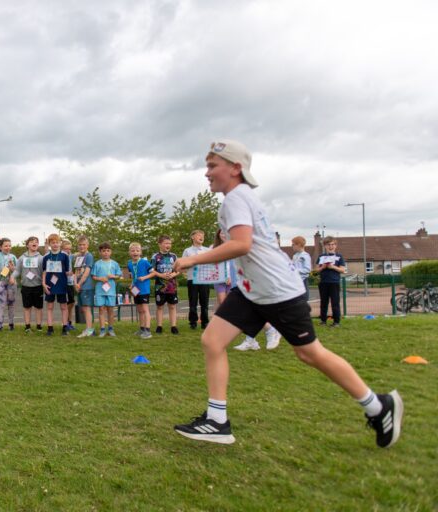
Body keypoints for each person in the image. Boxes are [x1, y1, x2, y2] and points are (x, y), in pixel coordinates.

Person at [171, 139, 402, 449]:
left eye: (213, 166)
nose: (207, 173)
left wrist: (193, 259)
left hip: (277, 290)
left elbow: (241, 244)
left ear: (236, 168)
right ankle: (216, 420)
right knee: (212, 341)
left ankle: (378, 406)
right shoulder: (237, 199)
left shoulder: (235, 199)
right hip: (253, 290)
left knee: (310, 353)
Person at [13, 235, 45, 333]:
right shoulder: (22, 258)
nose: (34, 243)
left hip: (38, 286)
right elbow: (17, 271)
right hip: (26, 286)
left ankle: (39, 326)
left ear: (38, 245)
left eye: (36, 241)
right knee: (27, 307)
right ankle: (27, 327)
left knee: (38, 308)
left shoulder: (42, 258)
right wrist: (12, 277)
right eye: (31, 241)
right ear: (27, 245)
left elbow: (45, 272)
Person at [150, 235, 181, 334]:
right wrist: (161, 275)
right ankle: (159, 326)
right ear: (160, 244)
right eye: (166, 243)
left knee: (172, 306)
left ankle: (173, 326)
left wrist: (173, 274)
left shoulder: (174, 256)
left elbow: (179, 270)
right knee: (160, 306)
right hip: (160, 286)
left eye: (170, 243)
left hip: (172, 286)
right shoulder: (155, 257)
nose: (168, 245)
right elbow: (152, 271)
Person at [42, 233, 70, 336]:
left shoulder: (64, 256)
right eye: (52, 242)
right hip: (50, 285)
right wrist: (44, 283)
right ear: (49, 244)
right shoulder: (46, 257)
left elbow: (67, 271)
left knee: (63, 307)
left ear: (60, 243)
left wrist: (73, 273)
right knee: (49, 307)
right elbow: (44, 271)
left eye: (57, 242)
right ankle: (50, 328)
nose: (55, 244)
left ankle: (65, 328)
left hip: (62, 285)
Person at [91, 242, 121, 337]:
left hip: (111, 291)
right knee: (101, 309)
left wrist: (113, 276)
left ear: (111, 252)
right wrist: (101, 278)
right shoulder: (97, 264)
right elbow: (93, 276)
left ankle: (111, 329)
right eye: (104, 251)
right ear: (100, 252)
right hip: (100, 290)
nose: (106, 253)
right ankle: (102, 329)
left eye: (108, 251)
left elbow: (119, 276)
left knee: (110, 310)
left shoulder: (115, 264)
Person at [183, 230, 211, 330]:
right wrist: (192, 262)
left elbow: (211, 263)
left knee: (204, 302)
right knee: (193, 301)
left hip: (204, 279)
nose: (201, 237)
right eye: (199, 235)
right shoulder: (187, 251)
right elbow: (183, 265)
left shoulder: (207, 250)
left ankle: (205, 322)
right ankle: (193, 322)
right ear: (193, 237)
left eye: (202, 235)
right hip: (192, 279)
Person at [317, 236, 346, 327]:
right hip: (323, 282)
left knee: (335, 302)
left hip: (334, 282)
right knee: (324, 302)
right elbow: (316, 270)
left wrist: (333, 267)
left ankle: (336, 322)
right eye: (329, 244)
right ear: (325, 246)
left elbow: (342, 270)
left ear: (336, 245)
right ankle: (323, 321)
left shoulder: (339, 256)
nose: (331, 246)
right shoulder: (321, 256)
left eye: (333, 244)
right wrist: (323, 267)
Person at [127, 242, 153, 339]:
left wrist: (145, 277)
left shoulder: (145, 262)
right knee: (139, 310)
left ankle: (148, 330)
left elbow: (153, 273)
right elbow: (133, 276)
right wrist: (131, 284)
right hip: (135, 289)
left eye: (137, 250)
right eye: (133, 251)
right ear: (129, 252)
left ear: (140, 252)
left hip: (144, 289)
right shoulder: (129, 263)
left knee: (145, 309)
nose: (135, 252)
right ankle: (142, 329)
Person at [0, 236, 18, 331]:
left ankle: (11, 324)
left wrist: (12, 273)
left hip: (11, 282)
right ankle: (0, 325)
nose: (8, 247)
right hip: (1, 282)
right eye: (6, 246)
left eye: (9, 246)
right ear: (1, 247)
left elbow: (17, 270)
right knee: (2, 303)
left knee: (11, 303)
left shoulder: (13, 257)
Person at [73, 235, 96, 338]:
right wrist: (75, 283)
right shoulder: (78, 257)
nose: (82, 247)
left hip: (86, 286)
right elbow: (76, 271)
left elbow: (87, 272)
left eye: (84, 245)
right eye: (80, 245)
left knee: (87, 308)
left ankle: (90, 329)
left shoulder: (89, 256)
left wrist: (79, 283)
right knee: (83, 308)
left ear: (87, 245)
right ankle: (88, 328)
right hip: (79, 286)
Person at [212, 229, 236, 308]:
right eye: (222, 233)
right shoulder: (213, 248)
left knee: (231, 303)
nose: (224, 234)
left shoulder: (234, 247)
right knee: (222, 304)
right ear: (218, 235)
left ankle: (230, 320)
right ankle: (220, 319)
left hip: (232, 279)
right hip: (219, 279)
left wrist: (230, 277)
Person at [62, 239, 77, 332]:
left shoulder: (70, 256)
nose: (68, 251)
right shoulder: (61, 257)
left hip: (71, 282)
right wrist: (66, 273)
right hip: (64, 282)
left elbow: (79, 254)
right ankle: (65, 322)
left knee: (71, 302)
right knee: (66, 303)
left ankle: (69, 322)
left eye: (69, 249)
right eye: (66, 249)